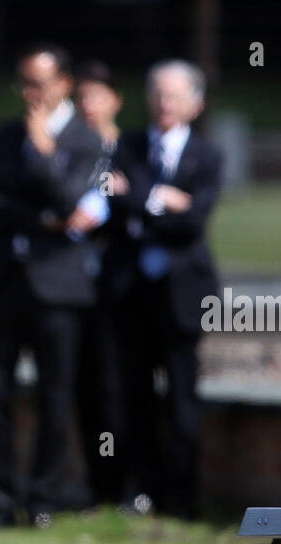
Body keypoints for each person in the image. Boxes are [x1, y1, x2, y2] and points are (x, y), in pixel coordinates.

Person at [0, 43, 103, 527]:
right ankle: (0, 497)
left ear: (64, 84)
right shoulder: (7, 135)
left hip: (60, 286)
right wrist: (41, 218)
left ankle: (45, 496)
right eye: (24, 83)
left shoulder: (85, 139)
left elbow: (70, 197)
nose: (30, 94)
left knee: (56, 392)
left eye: (39, 84)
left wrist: (45, 151)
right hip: (10, 279)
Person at [104, 60, 223, 519]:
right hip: (131, 292)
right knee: (133, 395)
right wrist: (160, 199)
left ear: (195, 104)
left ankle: (183, 498)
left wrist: (138, 199)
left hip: (182, 296)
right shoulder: (126, 146)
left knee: (181, 396)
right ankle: (142, 490)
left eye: (174, 95)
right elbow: (108, 195)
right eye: (157, 93)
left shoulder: (208, 155)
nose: (164, 103)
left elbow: (195, 220)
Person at [71, 59, 126, 507]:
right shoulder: (70, 147)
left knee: (116, 385)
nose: (88, 105)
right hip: (73, 283)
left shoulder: (127, 149)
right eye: (81, 97)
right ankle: (94, 484)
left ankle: (119, 485)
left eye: (96, 96)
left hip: (116, 285)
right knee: (82, 386)